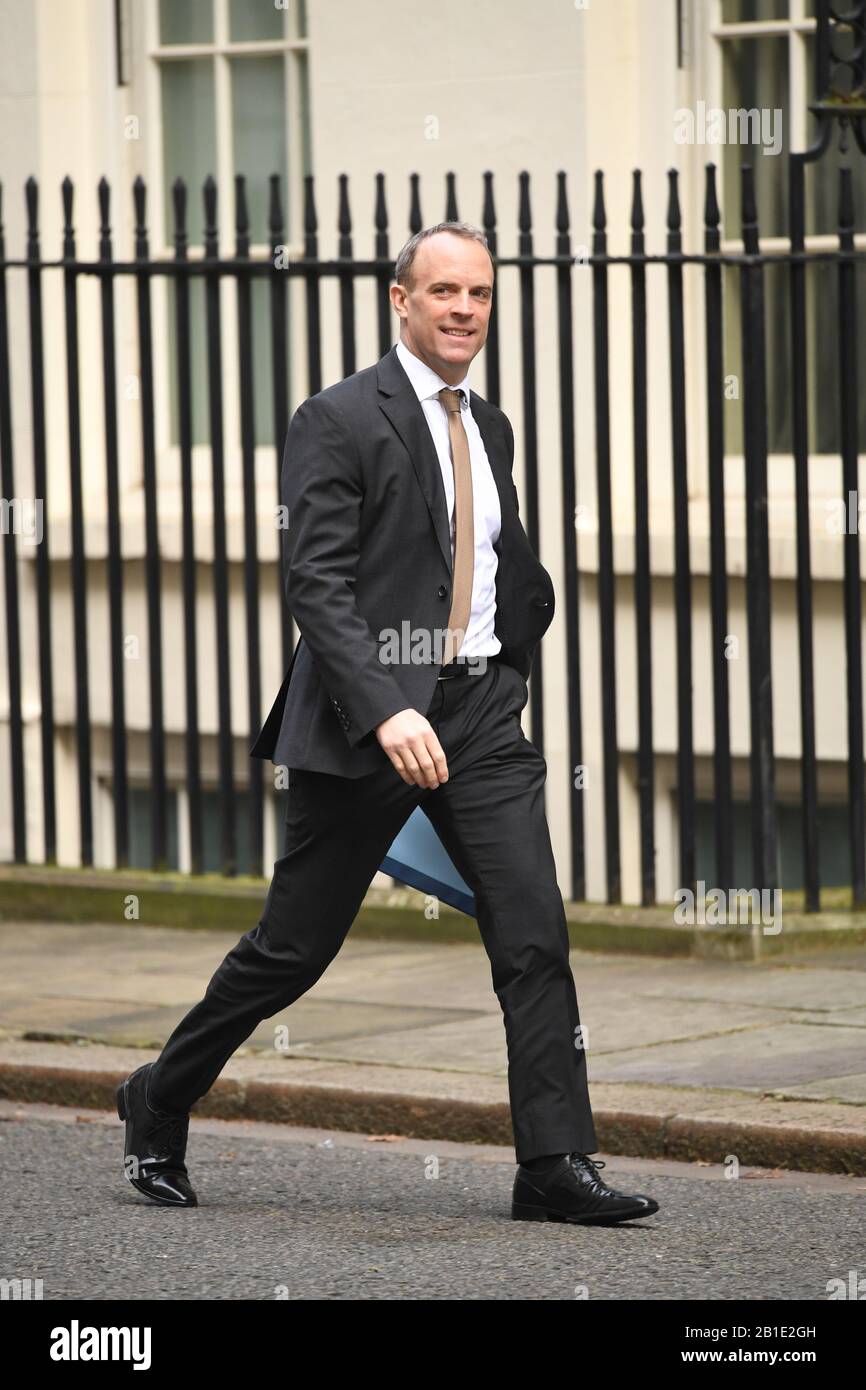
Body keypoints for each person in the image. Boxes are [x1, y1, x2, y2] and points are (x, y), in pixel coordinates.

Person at [117, 221, 659, 1226]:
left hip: (481, 711)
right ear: (398, 300)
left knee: (531, 931)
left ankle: (550, 1161)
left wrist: (502, 666)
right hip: (365, 716)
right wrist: (387, 709)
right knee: (292, 948)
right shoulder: (335, 417)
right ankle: (158, 1096)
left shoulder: (487, 423)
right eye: (443, 290)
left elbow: (490, 560)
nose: (463, 309)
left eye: (479, 294)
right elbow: (314, 586)